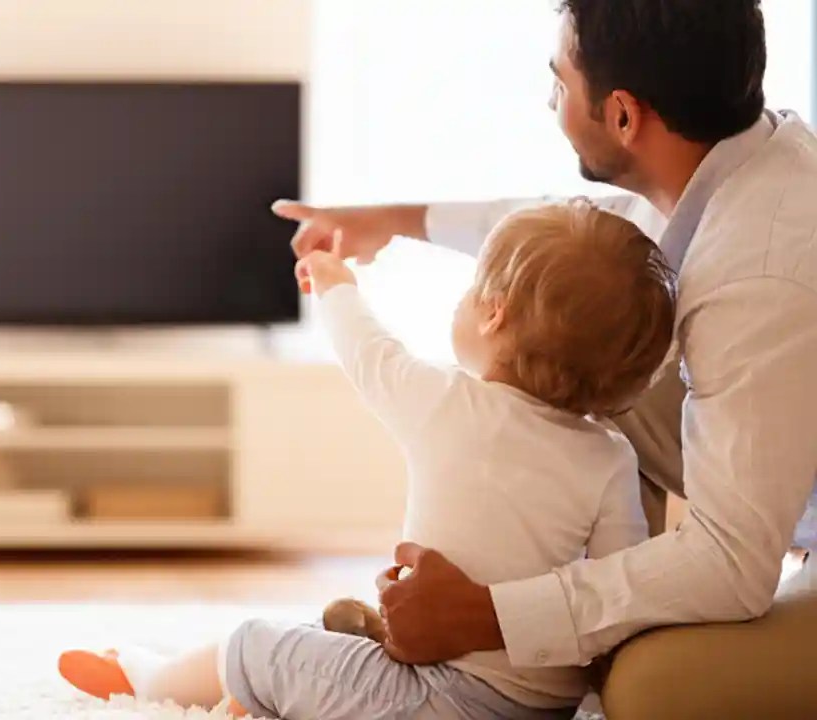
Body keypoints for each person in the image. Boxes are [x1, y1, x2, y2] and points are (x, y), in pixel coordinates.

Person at [277, 0, 817, 672]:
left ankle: (517, 650)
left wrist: (489, 614)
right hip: (779, 511)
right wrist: (389, 221)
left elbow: (734, 563)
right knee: (579, 332)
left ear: (622, 114)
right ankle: (523, 648)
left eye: (560, 83)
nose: (550, 100)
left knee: (652, 694)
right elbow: (566, 239)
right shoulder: (745, 163)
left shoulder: (758, 275)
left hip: (768, 553)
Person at [57, 200, 676, 719]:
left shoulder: (447, 403)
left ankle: (145, 678)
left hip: (442, 698)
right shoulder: (610, 456)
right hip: (544, 706)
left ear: (494, 311)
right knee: (331, 632)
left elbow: (366, 350)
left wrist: (333, 282)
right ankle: (257, 697)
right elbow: (618, 585)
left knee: (254, 644)